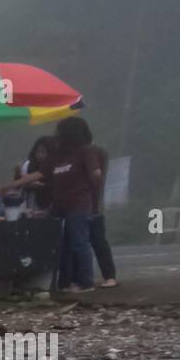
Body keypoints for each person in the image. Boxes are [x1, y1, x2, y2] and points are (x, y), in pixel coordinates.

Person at [49, 116, 103, 292]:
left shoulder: (86, 151)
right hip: (60, 206)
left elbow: (96, 173)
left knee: (79, 242)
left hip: (79, 204)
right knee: (63, 245)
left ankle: (85, 282)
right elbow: (43, 173)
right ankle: (65, 282)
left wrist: (90, 185)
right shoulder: (60, 156)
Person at [80, 122, 117, 286]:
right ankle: (109, 276)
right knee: (96, 240)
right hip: (90, 205)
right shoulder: (91, 151)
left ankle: (109, 276)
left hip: (91, 205)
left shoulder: (92, 151)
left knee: (96, 240)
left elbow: (96, 176)